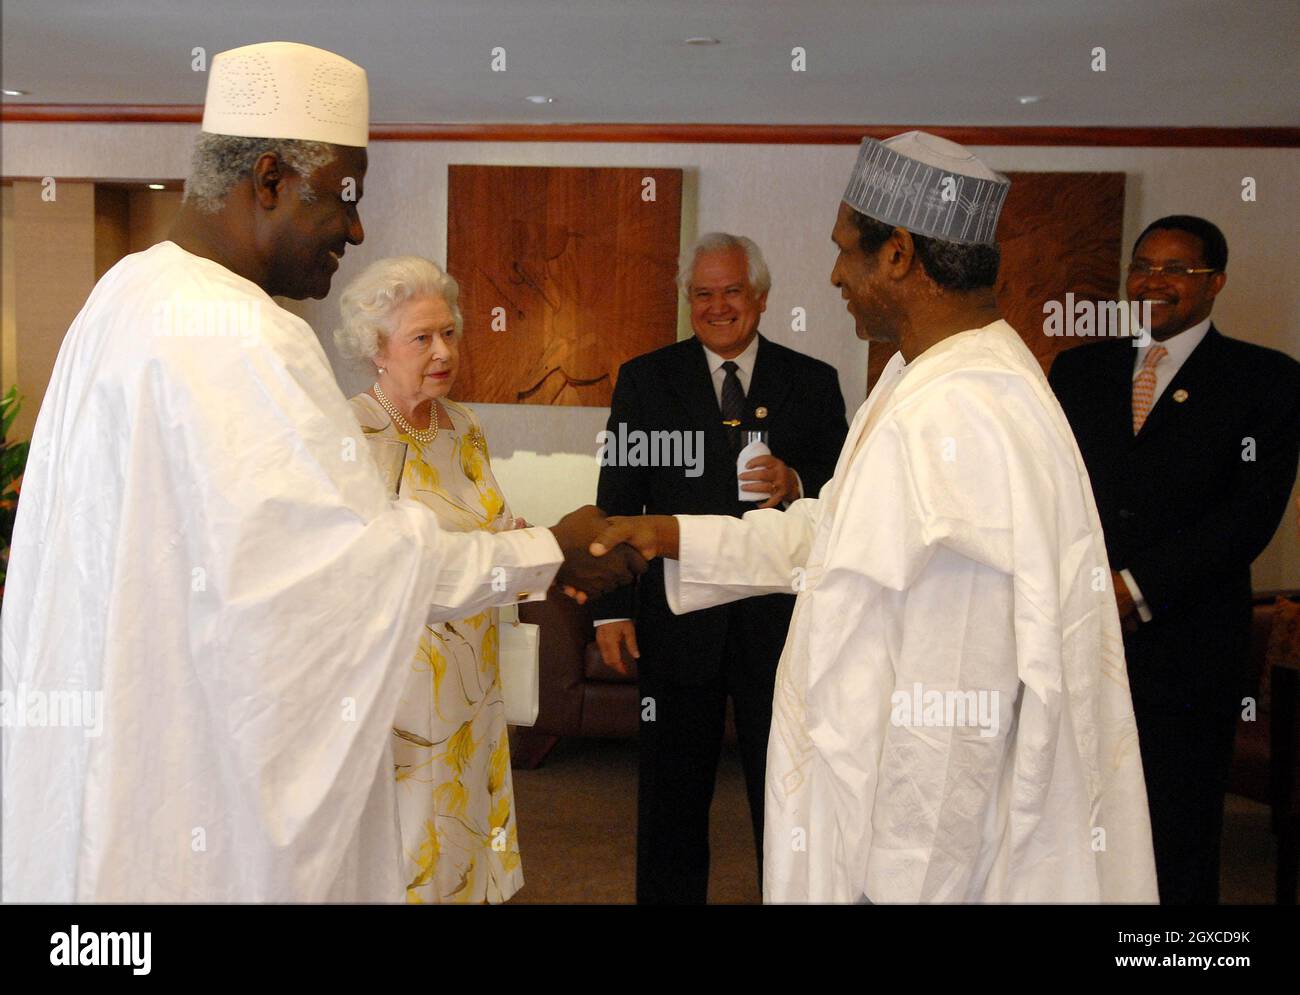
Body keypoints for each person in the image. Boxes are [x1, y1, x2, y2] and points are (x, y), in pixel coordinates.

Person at [0, 41, 641, 903]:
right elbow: (366, 571)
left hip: (115, 762)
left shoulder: (123, 294)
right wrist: (549, 549)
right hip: (194, 783)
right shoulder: (250, 337)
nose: (357, 227)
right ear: (268, 179)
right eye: (345, 195)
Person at [590, 131, 1158, 902]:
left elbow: (953, 714)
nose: (831, 275)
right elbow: (836, 536)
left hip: (921, 864)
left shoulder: (962, 412)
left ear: (897, 255)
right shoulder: (924, 376)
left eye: (844, 252)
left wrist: (899, 884)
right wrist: (673, 533)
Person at [1048, 215, 1300, 904]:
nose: (1153, 280)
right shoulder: (1079, 370)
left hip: (1189, 646)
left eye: (1176, 269)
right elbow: (1049, 490)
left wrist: (1133, 588)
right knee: (1074, 824)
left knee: (1177, 834)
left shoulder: (1267, 381)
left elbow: (1247, 519)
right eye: (1142, 264)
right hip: (1079, 639)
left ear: (1215, 281)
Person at [592, 233, 847, 903]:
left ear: (760, 297)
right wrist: (611, 607)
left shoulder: (814, 382)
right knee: (671, 796)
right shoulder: (646, 378)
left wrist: (796, 479)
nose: (718, 305)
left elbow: (847, 489)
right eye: (703, 293)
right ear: (688, 300)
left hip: (780, 624)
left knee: (787, 790)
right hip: (679, 621)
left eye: (732, 291)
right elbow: (618, 497)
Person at [336, 255, 528, 903]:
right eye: (423, 337)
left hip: (473, 684)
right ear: (377, 349)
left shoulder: (465, 427)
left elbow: (493, 524)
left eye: (449, 333)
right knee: (408, 851)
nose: (443, 350)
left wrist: (515, 541)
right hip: (399, 696)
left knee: (467, 836)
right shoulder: (349, 434)